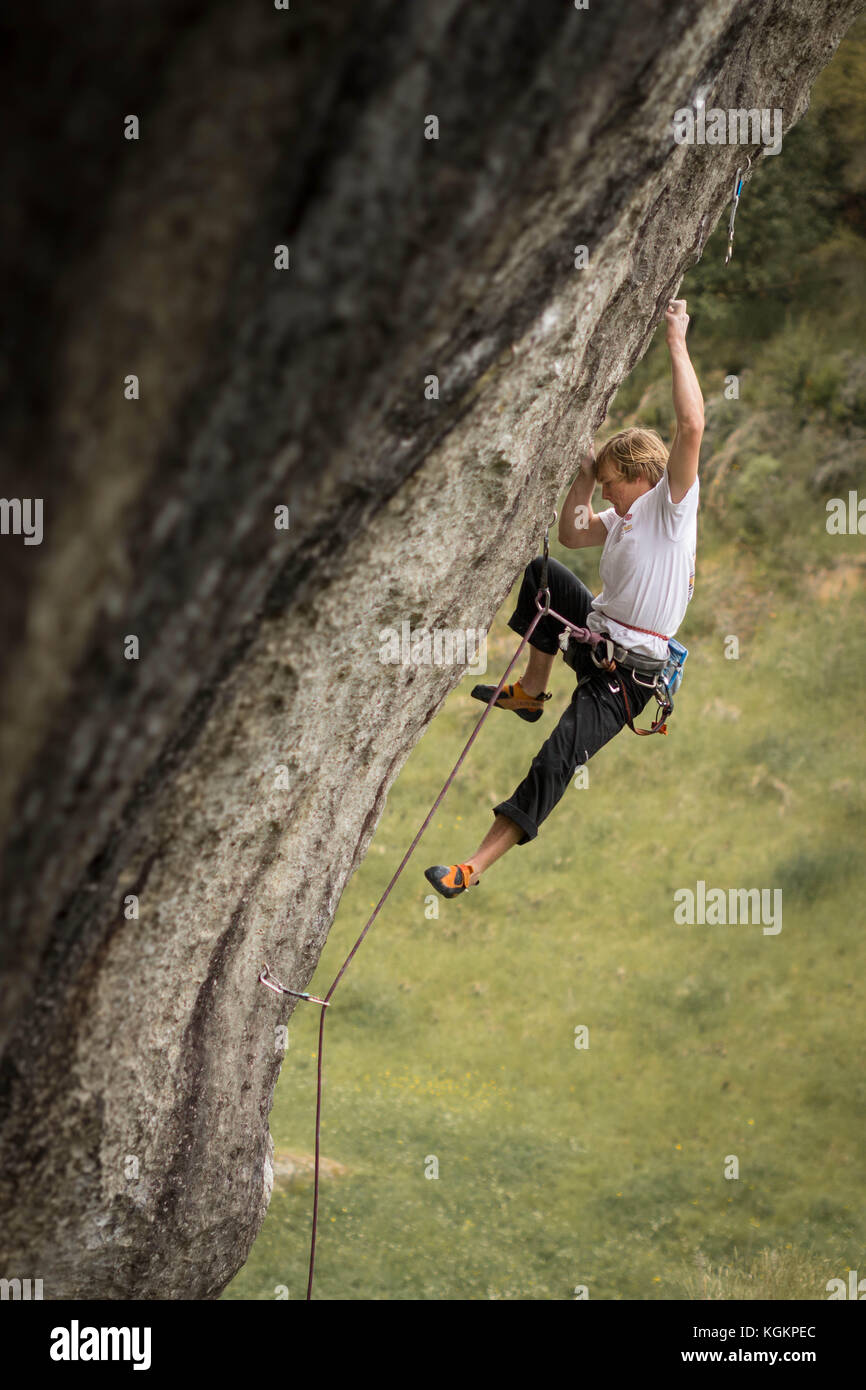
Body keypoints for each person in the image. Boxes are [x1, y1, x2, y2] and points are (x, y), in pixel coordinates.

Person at [424, 298, 703, 898]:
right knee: (543, 572)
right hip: (596, 638)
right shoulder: (626, 517)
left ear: (642, 476)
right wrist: (582, 477)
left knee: (556, 762)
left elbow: (692, 428)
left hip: (626, 679)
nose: (607, 494)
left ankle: (469, 868)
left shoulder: (670, 509)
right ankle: (531, 691)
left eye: (610, 484)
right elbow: (573, 533)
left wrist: (677, 339)